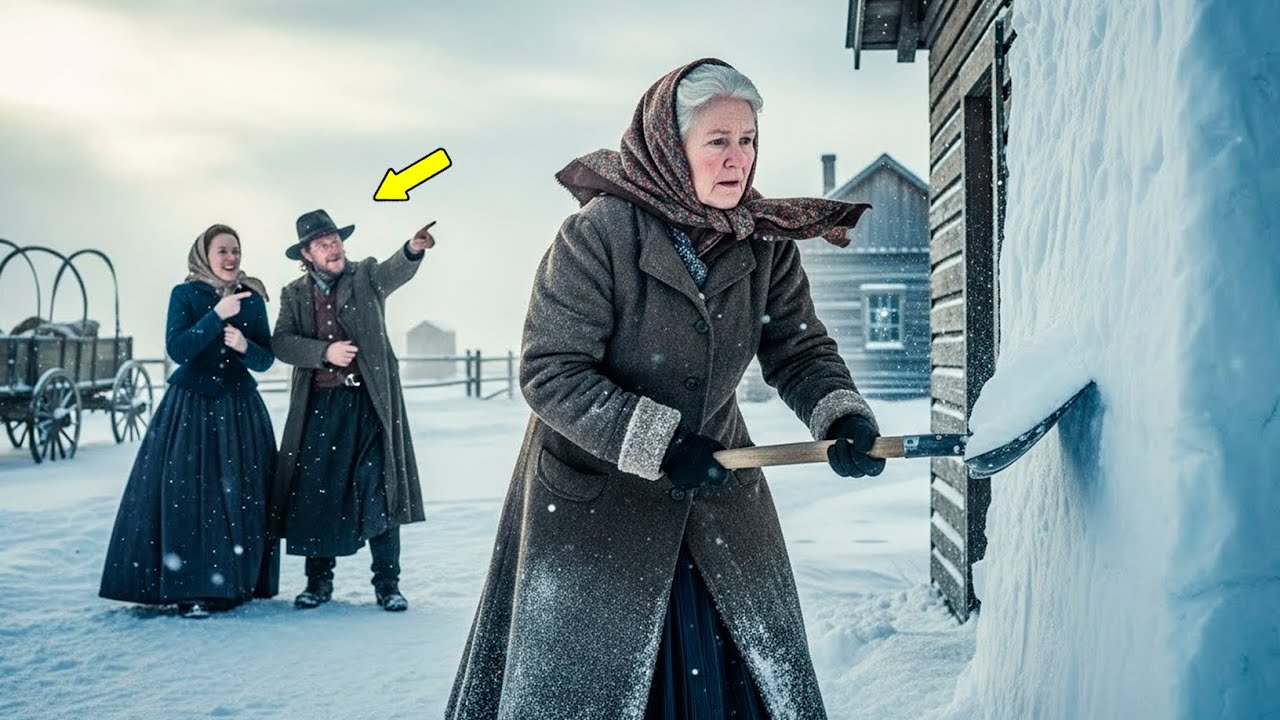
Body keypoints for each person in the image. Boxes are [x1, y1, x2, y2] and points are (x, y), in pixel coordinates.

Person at [447, 59, 886, 719]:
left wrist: (841, 417)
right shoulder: (598, 235)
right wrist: (659, 441)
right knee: (598, 692)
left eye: (748, 140)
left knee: (743, 678)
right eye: (718, 141)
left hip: (716, 495)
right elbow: (551, 370)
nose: (738, 159)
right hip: (597, 504)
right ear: (669, 147)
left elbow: (799, 348)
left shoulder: (765, 243)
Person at [100, 224, 279, 619]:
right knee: (189, 499)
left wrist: (245, 346)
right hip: (191, 410)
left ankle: (235, 585)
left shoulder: (253, 299)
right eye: (222, 251)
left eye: (236, 250)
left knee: (240, 498)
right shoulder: (184, 295)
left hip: (239, 411)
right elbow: (178, 349)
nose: (231, 258)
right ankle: (191, 589)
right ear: (205, 256)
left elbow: (266, 359)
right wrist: (216, 316)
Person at [270, 209, 436, 612]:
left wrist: (412, 249)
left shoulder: (365, 276)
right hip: (320, 410)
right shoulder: (294, 294)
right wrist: (324, 352)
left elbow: (394, 271)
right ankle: (318, 582)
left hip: (368, 406)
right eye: (324, 244)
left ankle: (388, 585)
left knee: (380, 490)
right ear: (306, 254)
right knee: (318, 494)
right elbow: (282, 343)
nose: (334, 248)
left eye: (336, 241)